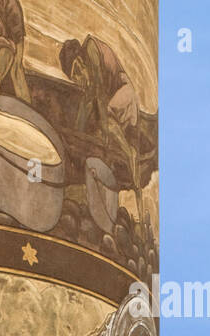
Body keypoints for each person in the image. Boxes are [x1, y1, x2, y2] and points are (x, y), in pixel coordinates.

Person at [60, 35, 144, 224]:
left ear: (79, 63)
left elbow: (98, 96)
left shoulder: (90, 49)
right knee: (95, 116)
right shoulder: (88, 66)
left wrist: (104, 130)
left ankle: (128, 153)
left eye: (76, 75)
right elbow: (87, 103)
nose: (78, 81)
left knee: (104, 114)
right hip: (117, 100)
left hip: (125, 95)